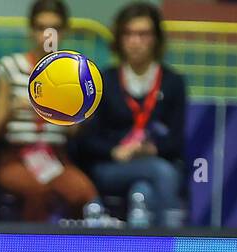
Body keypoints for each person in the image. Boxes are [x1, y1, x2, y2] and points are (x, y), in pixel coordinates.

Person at [75, 2, 187, 227]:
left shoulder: (173, 82)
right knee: (162, 173)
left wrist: (149, 149)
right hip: (110, 167)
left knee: (143, 190)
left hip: (152, 160)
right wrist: (116, 151)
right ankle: (174, 241)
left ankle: (141, 251)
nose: (136, 42)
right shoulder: (103, 81)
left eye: (143, 34)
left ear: (156, 38)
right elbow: (87, 139)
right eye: (129, 34)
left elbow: (176, 140)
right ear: (119, 38)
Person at [0, 0, 100, 223]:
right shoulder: (11, 67)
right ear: (31, 31)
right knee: (37, 190)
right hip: (16, 157)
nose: (48, 35)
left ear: (65, 31)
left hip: (54, 156)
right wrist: (14, 108)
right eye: (41, 28)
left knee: (83, 192)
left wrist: (70, 111)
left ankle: (75, 251)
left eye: (55, 28)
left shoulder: (74, 72)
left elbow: (74, 133)